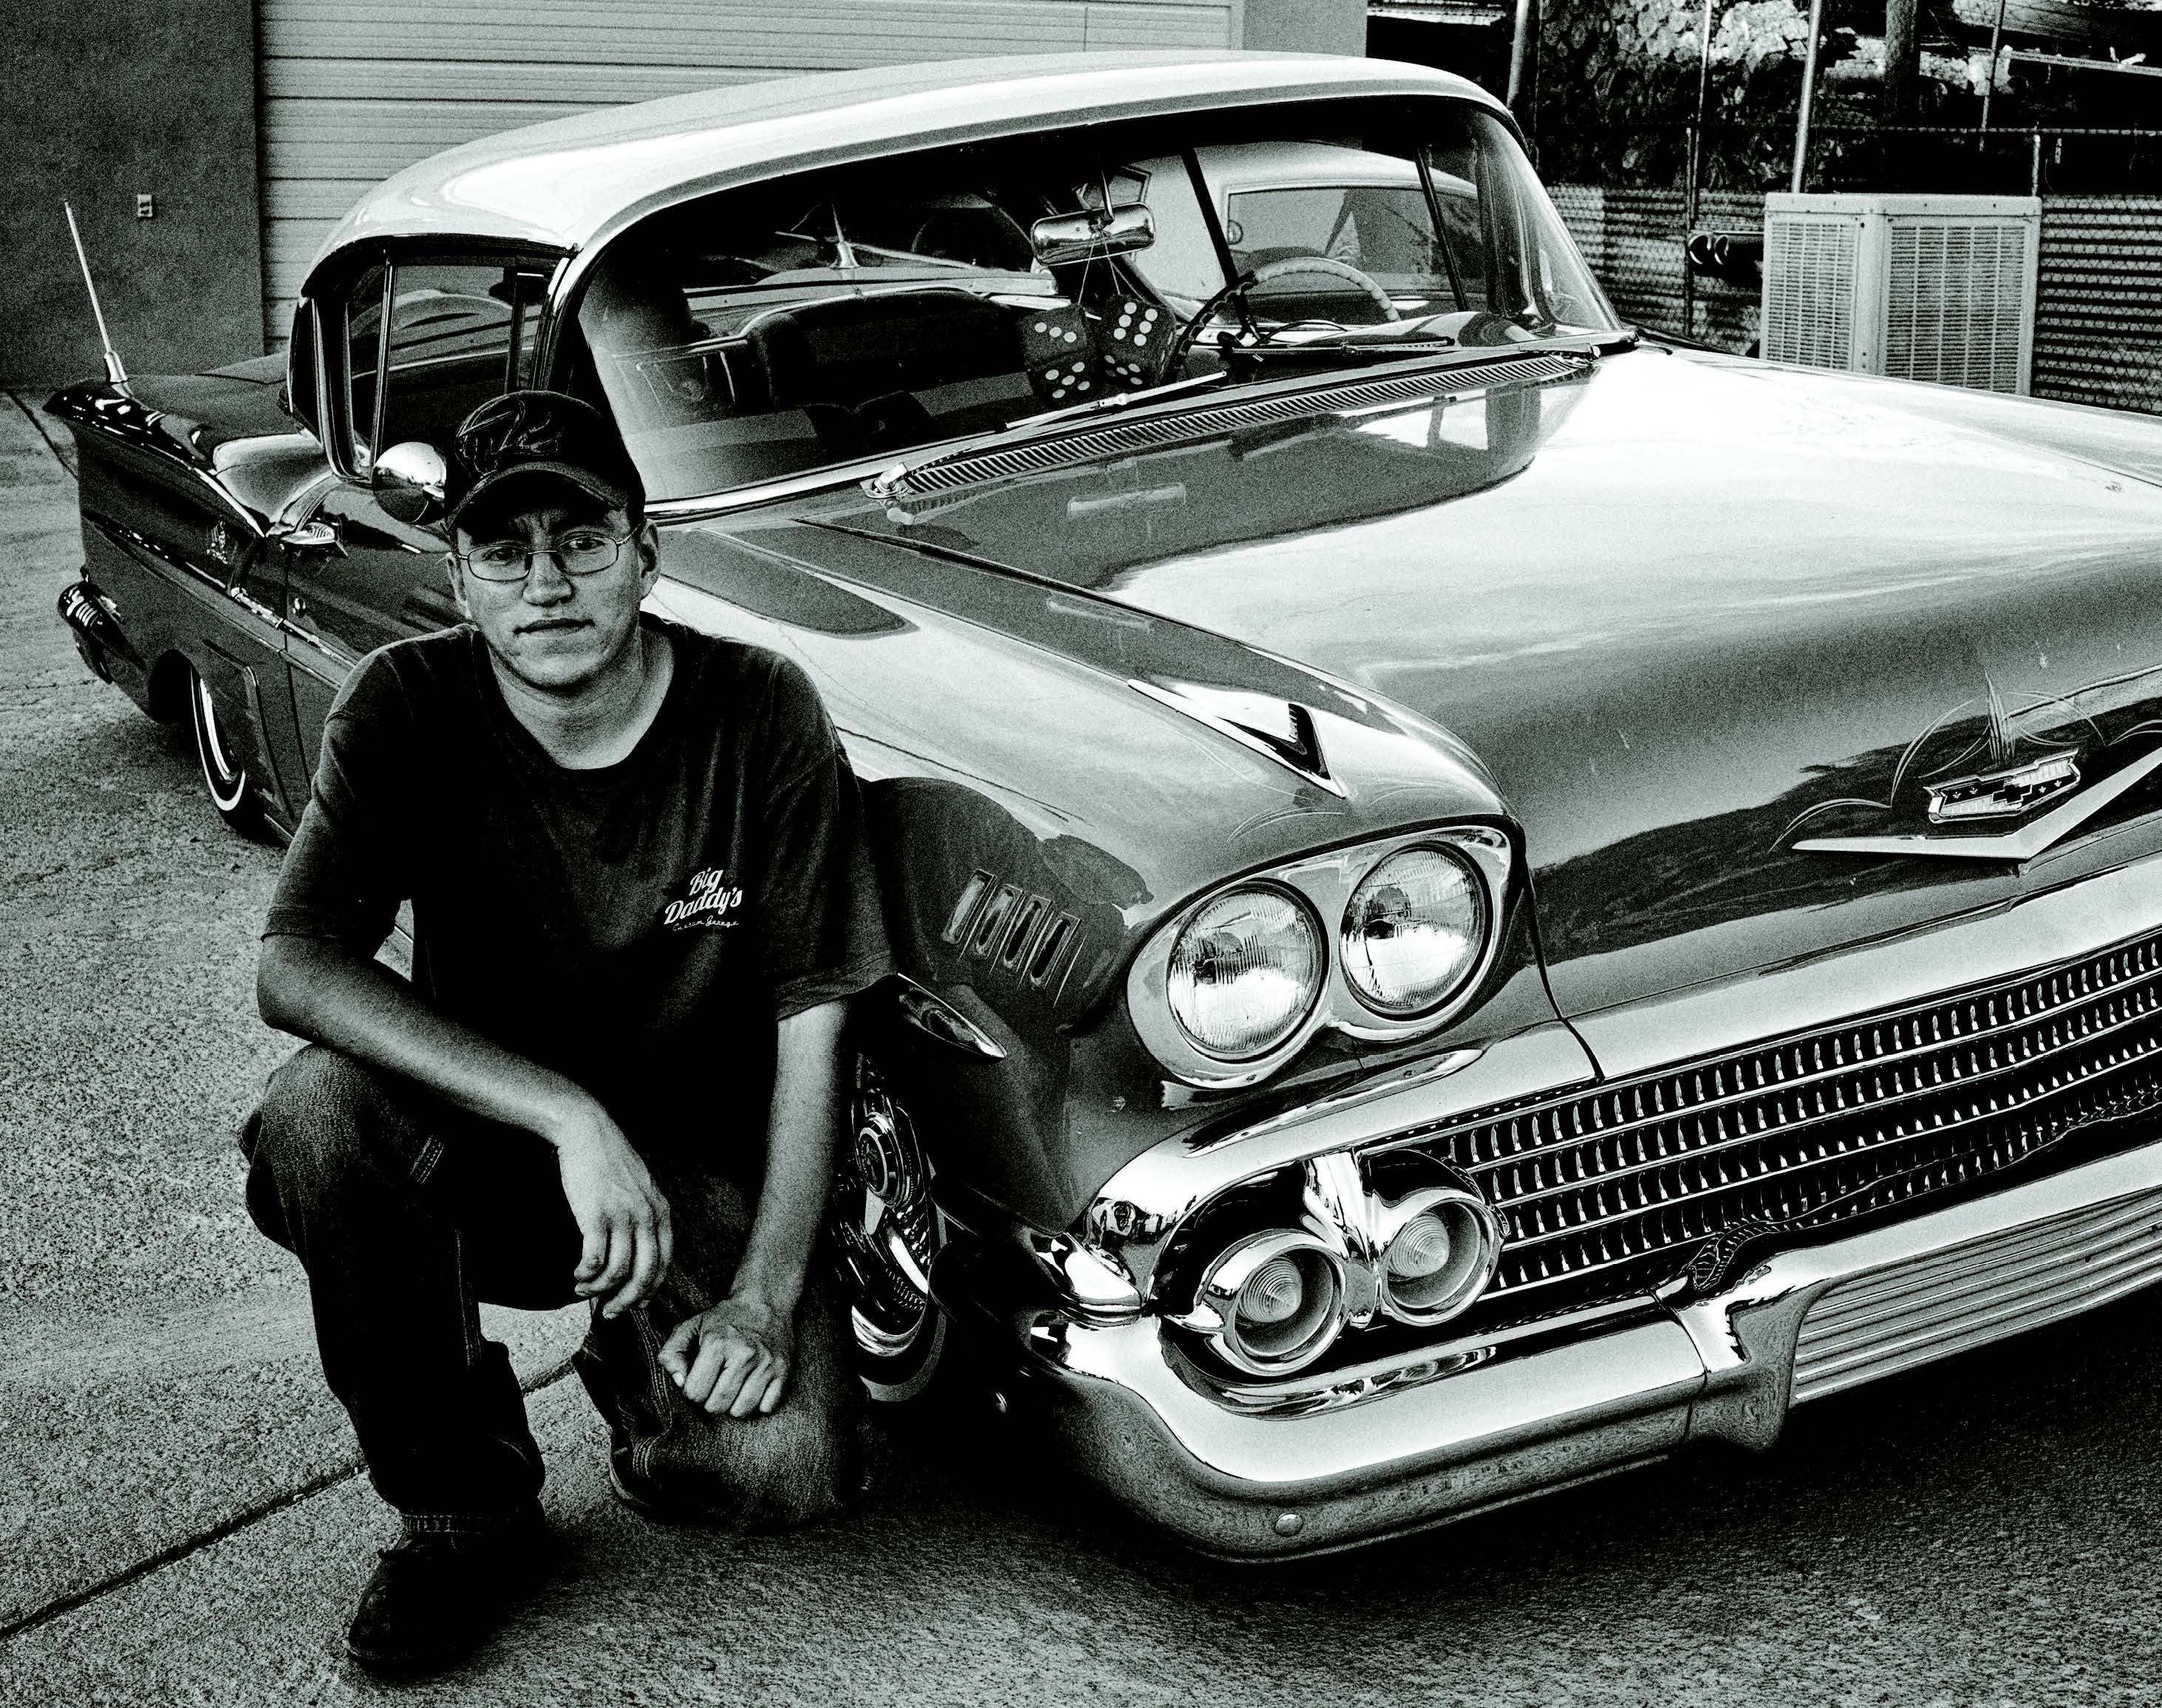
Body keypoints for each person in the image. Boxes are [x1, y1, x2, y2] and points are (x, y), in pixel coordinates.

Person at [242, 390, 892, 1678]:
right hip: (490, 1148)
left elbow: (814, 1015)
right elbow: (297, 964)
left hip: (695, 1171)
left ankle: (634, 1368)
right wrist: (565, 1114)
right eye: (503, 549)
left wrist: (762, 1296)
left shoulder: (758, 708)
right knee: (316, 1116)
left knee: (781, 1471)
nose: (546, 582)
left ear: (646, 552)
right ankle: (462, 1511)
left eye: (583, 539)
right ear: (460, 576)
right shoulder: (403, 706)